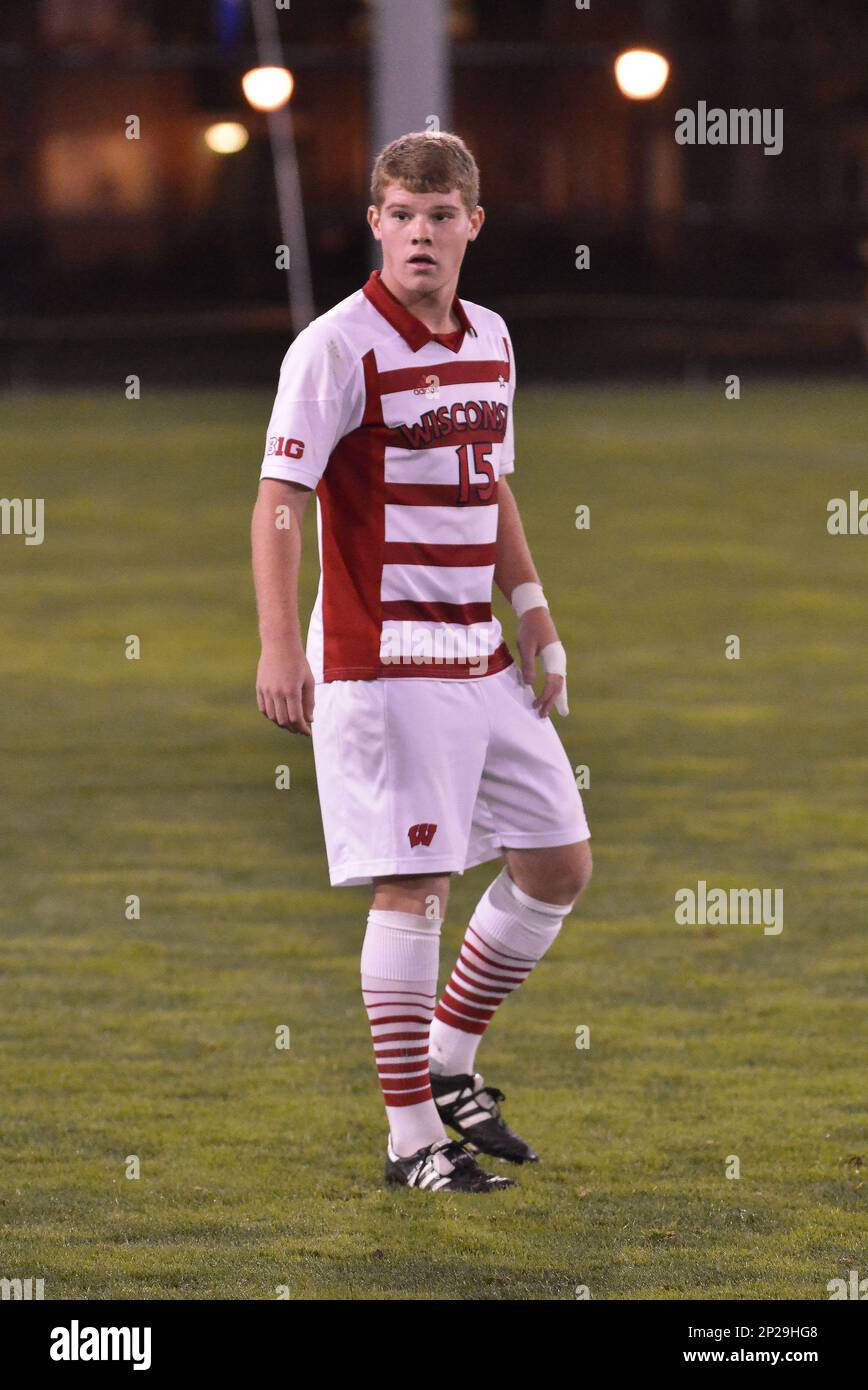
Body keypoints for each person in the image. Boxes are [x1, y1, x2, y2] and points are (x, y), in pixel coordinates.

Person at [251, 131, 592, 1194]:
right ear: (375, 224)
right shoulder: (335, 345)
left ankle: (448, 1063)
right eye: (400, 214)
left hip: (479, 654)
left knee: (556, 861)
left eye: (440, 216)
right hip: (381, 655)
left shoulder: (491, 338)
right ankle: (410, 1142)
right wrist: (275, 642)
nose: (420, 235)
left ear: (471, 226)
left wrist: (533, 612)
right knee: (416, 886)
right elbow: (278, 504)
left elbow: (489, 484)